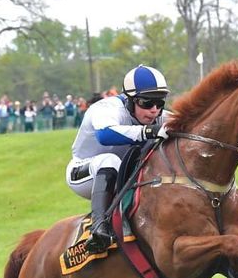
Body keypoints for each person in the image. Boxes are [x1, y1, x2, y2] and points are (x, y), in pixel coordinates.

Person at [65, 64, 171, 254]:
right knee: (110, 160)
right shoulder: (106, 108)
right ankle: (99, 229)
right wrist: (149, 131)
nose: (155, 110)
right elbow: (105, 135)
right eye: (147, 103)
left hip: (122, 175)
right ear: (130, 101)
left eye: (160, 103)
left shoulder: (157, 114)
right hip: (83, 171)